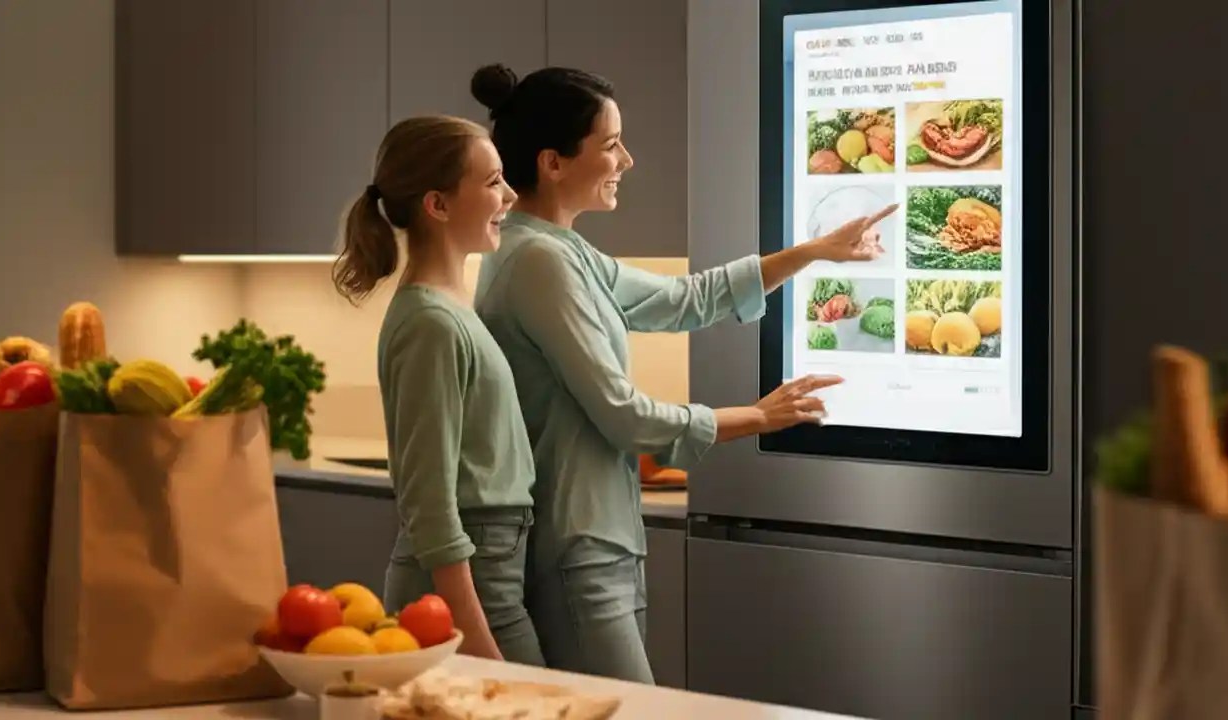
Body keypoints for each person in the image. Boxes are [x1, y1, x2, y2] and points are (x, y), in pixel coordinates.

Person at [467, 64, 897, 683]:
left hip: (595, 539)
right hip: (576, 542)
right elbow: (622, 413)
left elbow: (684, 299)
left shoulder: (558, 249)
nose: (628, 160)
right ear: (553, 162)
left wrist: (811, 252)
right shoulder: (538, 261)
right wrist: (758, 416)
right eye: (611, 145)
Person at [331, 115, 545, 666]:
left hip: (488, 571)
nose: (511, 195)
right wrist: (477, 642)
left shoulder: (451, 310)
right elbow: (429, 504)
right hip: (460, 589)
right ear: (439, 205)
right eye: (493, 181)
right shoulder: (431, 323)